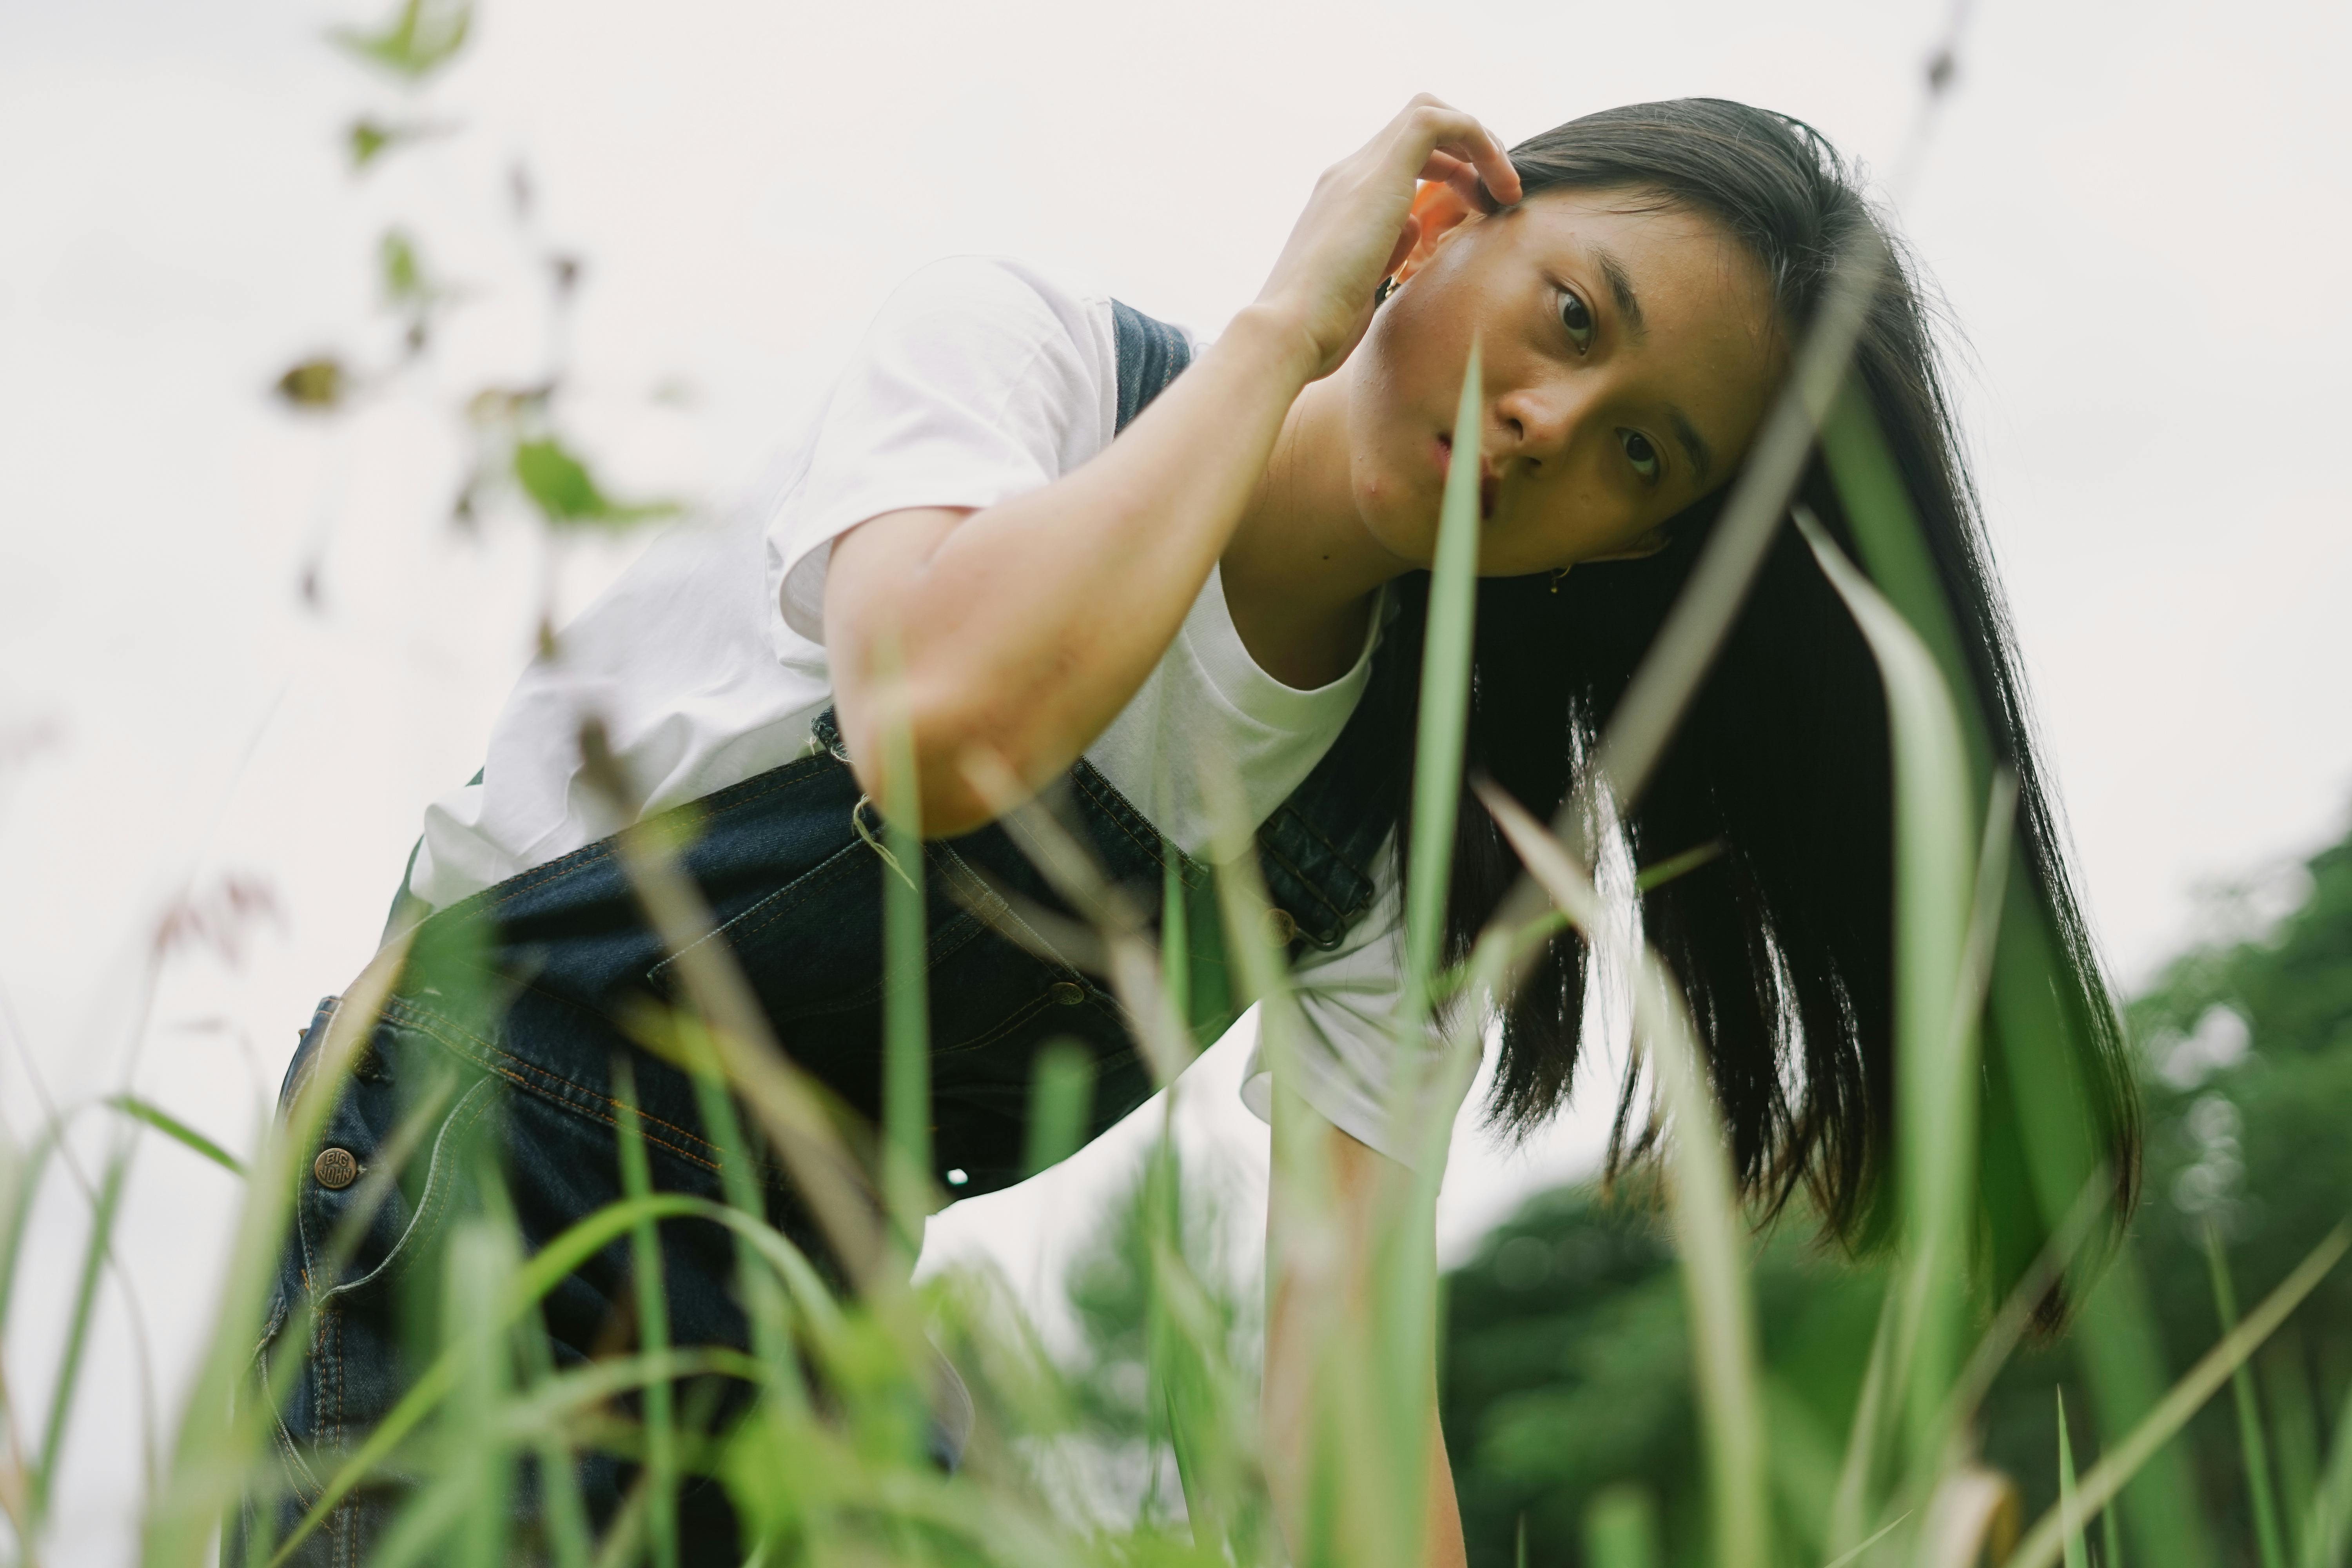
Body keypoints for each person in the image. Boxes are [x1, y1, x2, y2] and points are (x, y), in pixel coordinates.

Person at [243, 95, 2136, 1566]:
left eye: (1644, 452)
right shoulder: (1030, 367)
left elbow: (1348, 1393)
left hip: (813, 1301)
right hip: (468, 1164)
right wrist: (1286, 324)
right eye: (1570, 315)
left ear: (1633, 547)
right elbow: (941, 727)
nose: (1553, 420)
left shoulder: (1424, 832)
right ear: (1441, 219)